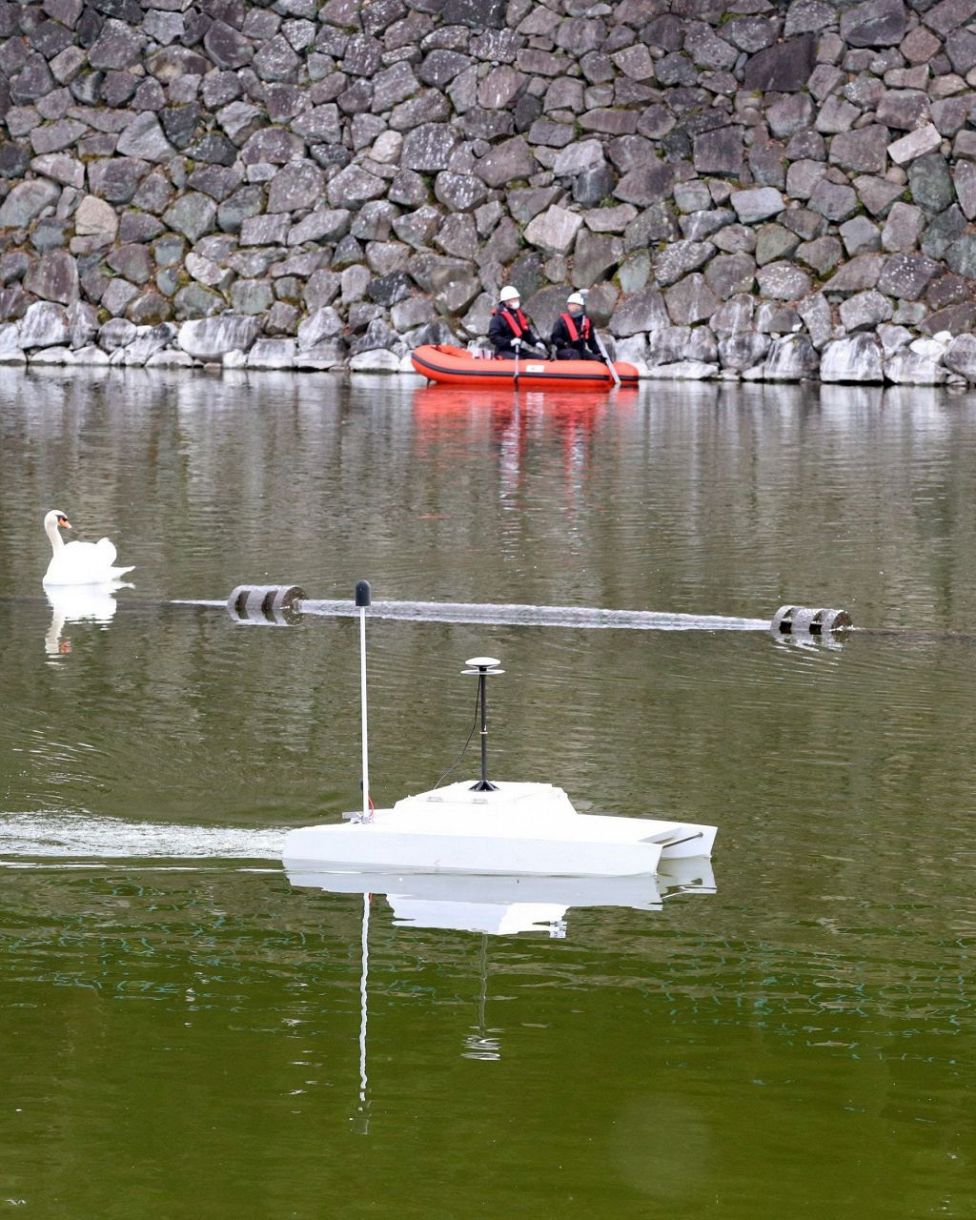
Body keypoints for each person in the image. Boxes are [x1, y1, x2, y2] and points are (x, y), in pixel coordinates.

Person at [488, 285, 547, 359]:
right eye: (513, 299)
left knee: (540, 358)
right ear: (506, 301)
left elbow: (526, 333)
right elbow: (494, 337)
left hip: (517, 349)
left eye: (516, 299)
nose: (516, 301)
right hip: (503, 350)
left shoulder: (518, 315)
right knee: (518, 360)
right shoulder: (497, 318)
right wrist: (510, 342)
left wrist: (536, 342)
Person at [550, 292, 603, 361]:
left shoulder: (585, 322)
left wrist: (598, 352)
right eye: (570, 305)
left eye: (573, 305)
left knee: (596, 359)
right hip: (564, 350)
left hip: (580, 350)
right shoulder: (562, 321)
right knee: (574, 354)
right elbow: (554, 337)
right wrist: (563, 343)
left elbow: (591, 341)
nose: (570, 307)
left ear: (580, 306)